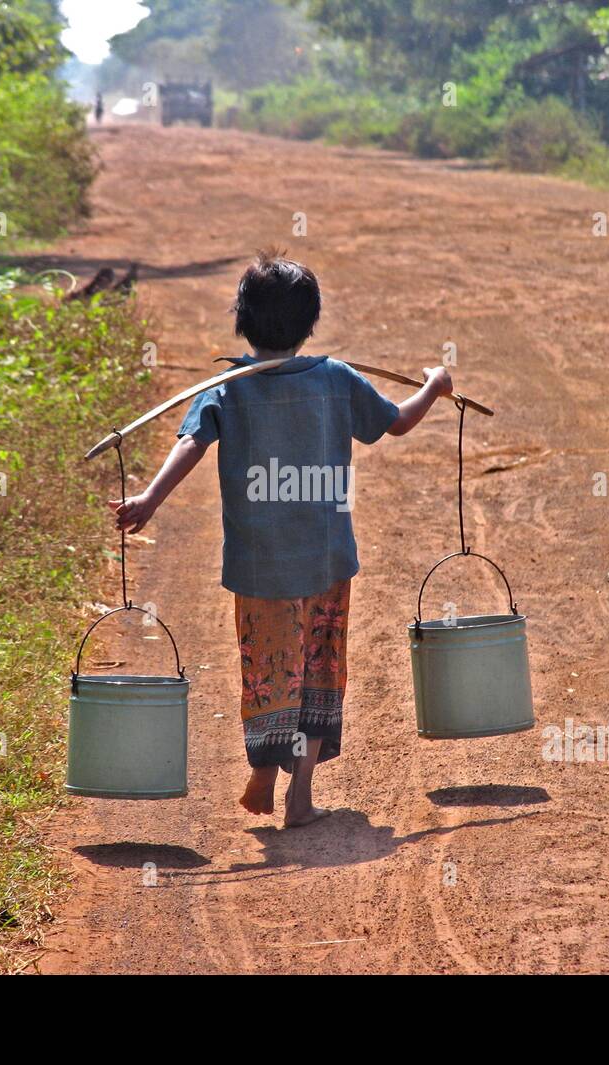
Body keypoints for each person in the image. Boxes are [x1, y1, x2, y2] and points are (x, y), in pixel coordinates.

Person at [108, 250, 453, 826]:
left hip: (261, 567)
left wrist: (148, 501)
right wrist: (434, 386)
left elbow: (190, 444)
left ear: (242, 321)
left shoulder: (228, 387)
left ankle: (267, 773)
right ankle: (300, 796)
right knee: (319, 666)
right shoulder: (336, 379)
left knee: (270, 667)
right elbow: (395, 421)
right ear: (309, 322)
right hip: (326, 559)